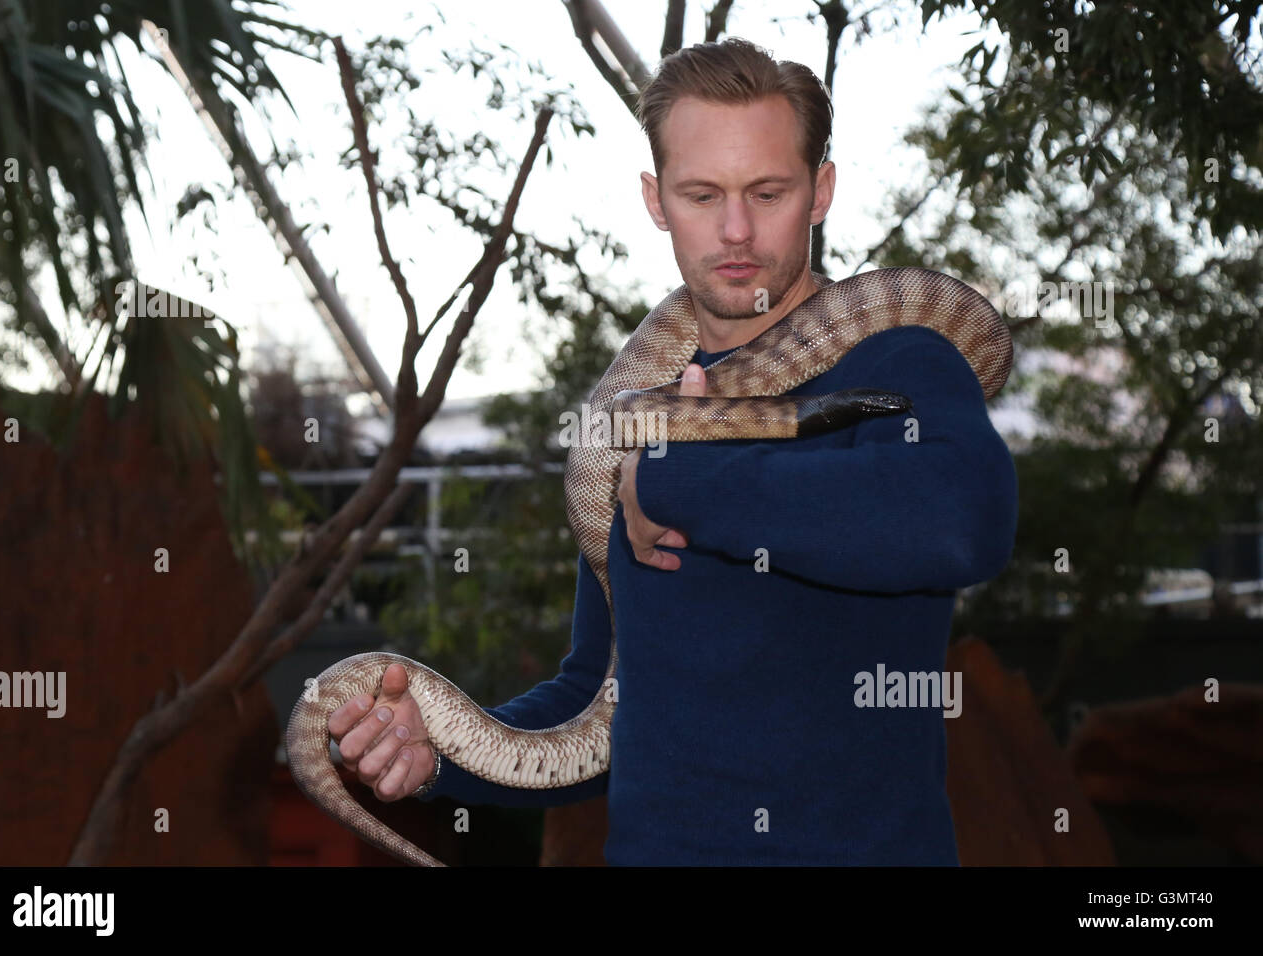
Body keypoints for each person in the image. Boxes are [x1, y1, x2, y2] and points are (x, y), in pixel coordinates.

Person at [327, 36, 1018, 864]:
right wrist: (445, 751)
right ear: (656, 201)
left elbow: (963, 519)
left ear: (820, 190)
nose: (736, 230)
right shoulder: (631, 418)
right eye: (701, 194)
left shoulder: (901, 362)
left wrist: (685, 471)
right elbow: (604, 702)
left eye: (768, 192)